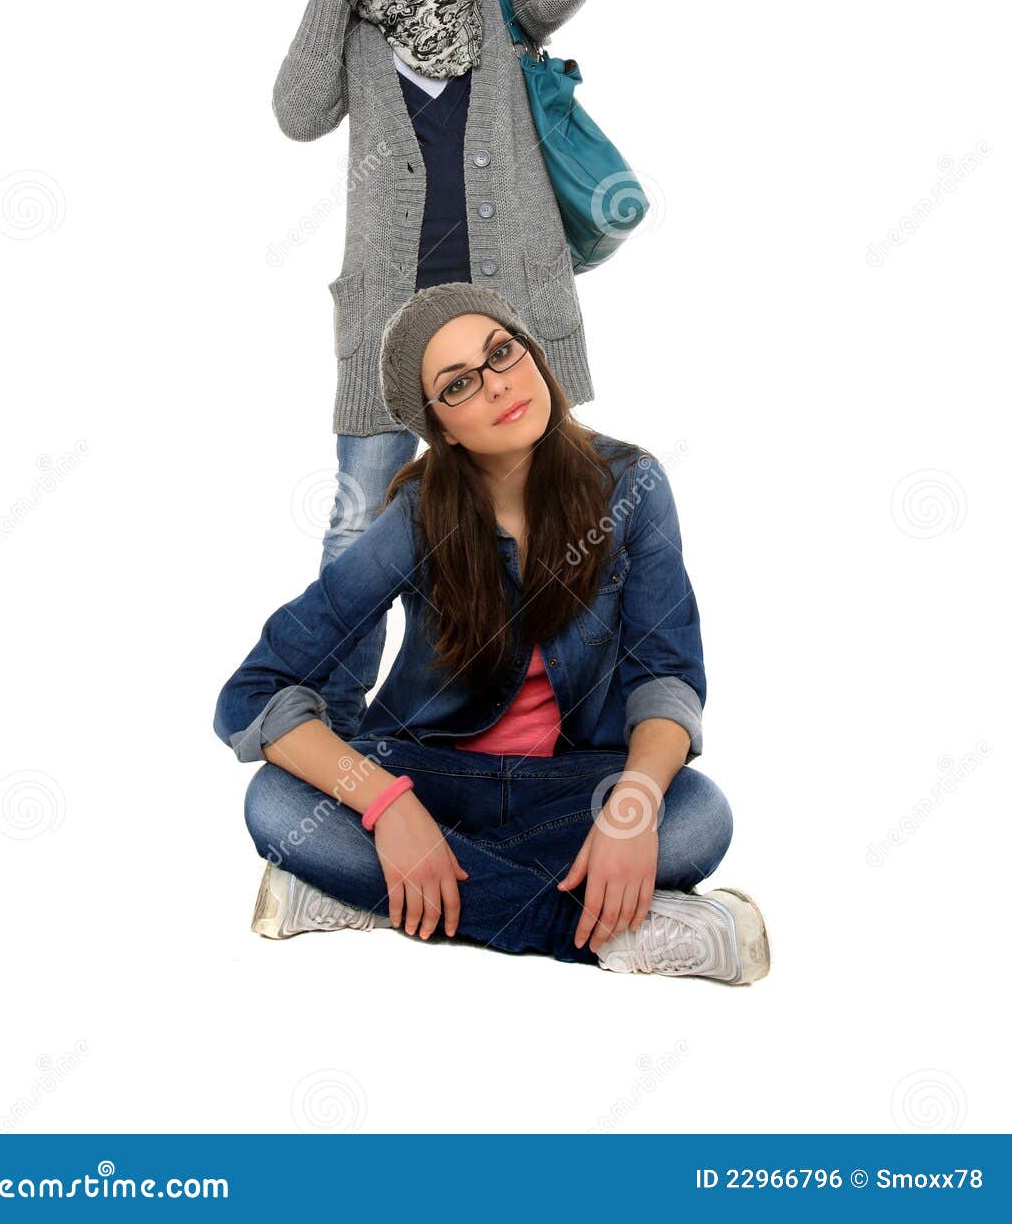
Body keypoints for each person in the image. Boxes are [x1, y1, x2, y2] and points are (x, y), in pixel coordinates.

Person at [213, 284, 770, 981]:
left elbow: (666, 676)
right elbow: (253, 692)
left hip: (574, 788)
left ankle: (379, 899)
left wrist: (629, 811)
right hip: (429, 780)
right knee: (273, 801)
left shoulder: (633, 485)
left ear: (532, 353)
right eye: (459, 385)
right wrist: (388, 807)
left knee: (697, 815)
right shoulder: (417, 516)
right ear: (440, 427)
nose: (499, 384)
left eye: (501, 352)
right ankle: (610, 933)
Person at [272, 0, 599, 730]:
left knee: (536, 526)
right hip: (391, 319)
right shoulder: (360, 10)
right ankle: (330, 723)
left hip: (509, 322)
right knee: (356, 528)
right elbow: (297, 112)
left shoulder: (500, 1)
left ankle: (537, 723)